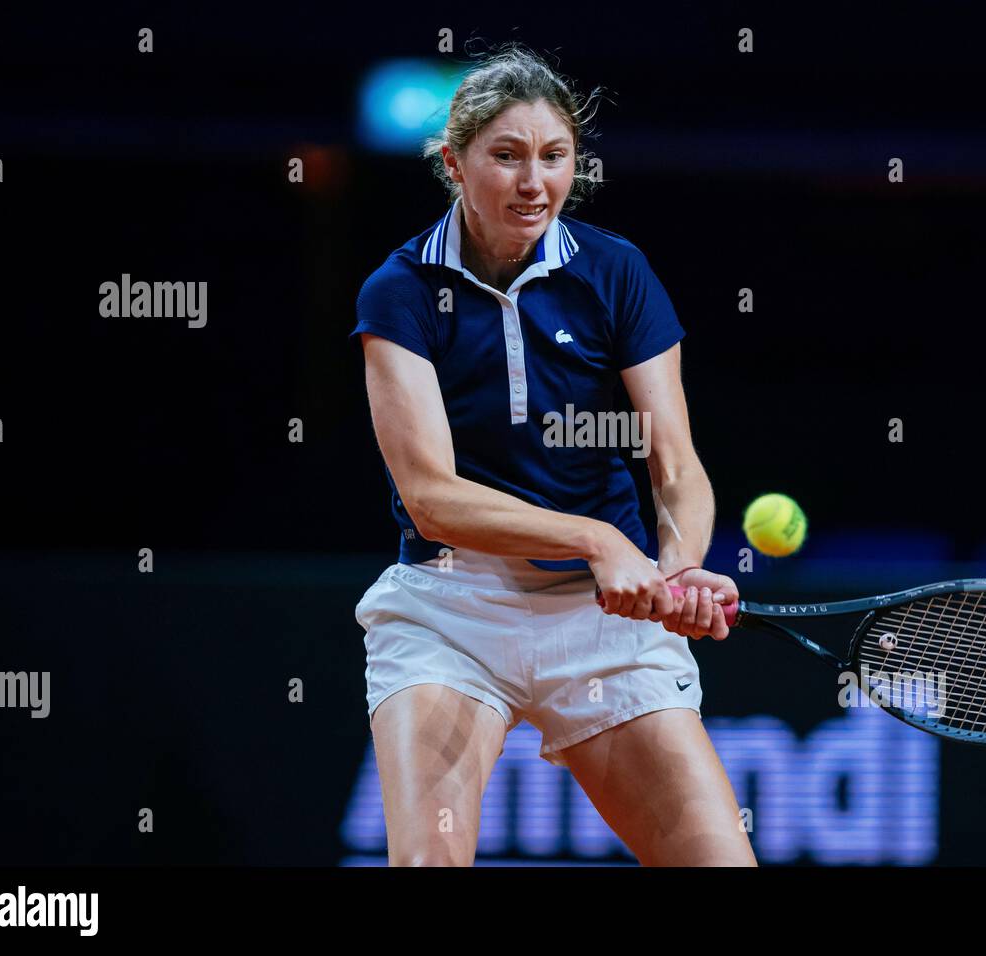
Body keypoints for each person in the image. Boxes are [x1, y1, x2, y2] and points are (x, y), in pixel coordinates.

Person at [351, 45, 756, 866]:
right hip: (450, 610)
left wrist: (676, 572)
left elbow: (674, 465)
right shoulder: (397, 293)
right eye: (505, 156)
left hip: (602, 622)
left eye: (554, 156)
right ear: (453, 163)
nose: (534, 182)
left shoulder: (616, 273)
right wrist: (603, 541)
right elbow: (431, 495)